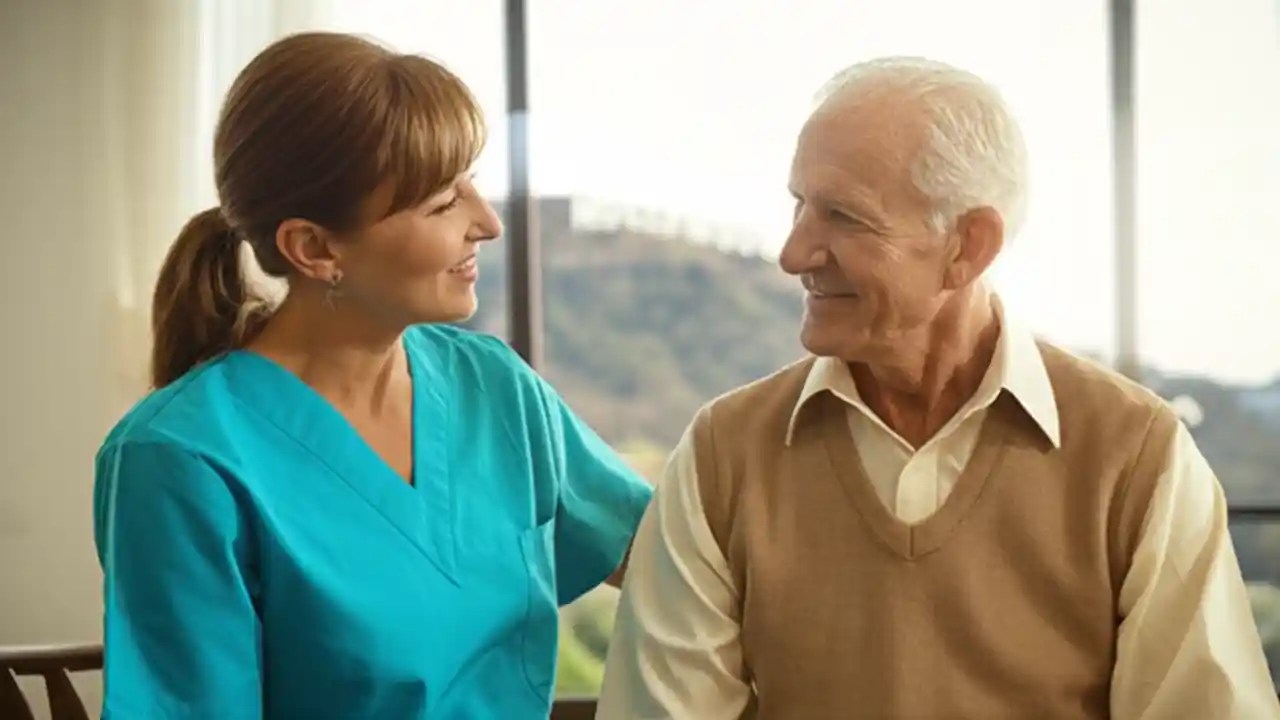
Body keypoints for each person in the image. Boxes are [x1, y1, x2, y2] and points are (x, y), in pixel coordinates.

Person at [596, 57, 1280, 719]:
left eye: (844, 217)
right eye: (800, 204)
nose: (793, 252)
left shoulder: (1137, 454)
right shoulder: (723, 453)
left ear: (969, 245)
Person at [93, 31, 652, 720]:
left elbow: (673, 562)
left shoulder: (494, 387)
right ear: (315, 247)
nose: (486, 222)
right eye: (444, 202)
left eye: (471, 182)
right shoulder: (178, 459)